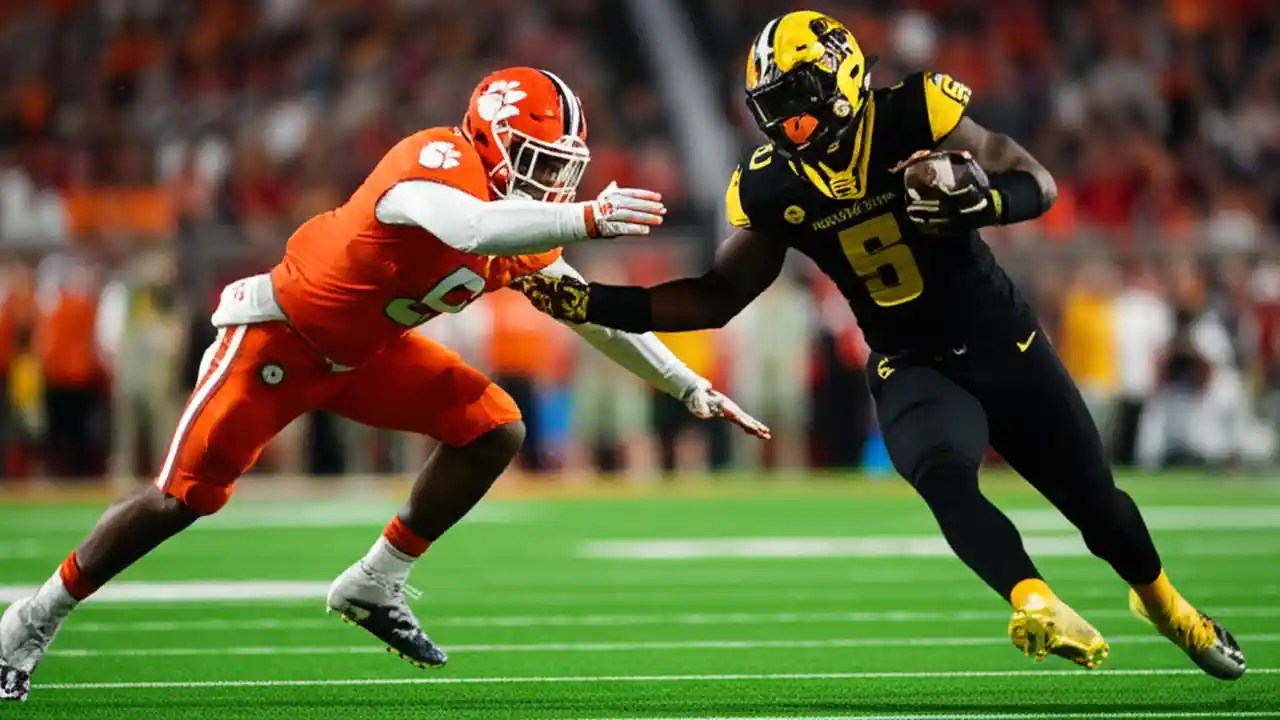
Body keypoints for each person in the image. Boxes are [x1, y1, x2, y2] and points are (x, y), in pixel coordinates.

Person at [0, 66, 770, 703]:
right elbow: (468, 228)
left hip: (364, 357)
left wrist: (685, 385)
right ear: (492, 139)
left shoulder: (522, 227)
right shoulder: (435, 160)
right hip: (278, 340)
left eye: (558, 163)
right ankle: (32, 619)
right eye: (534, 158)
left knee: (493, 426)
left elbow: (592, 317)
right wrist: (587, 218)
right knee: (183, 498)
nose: (548, 179)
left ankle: (375, 581)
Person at [515, 12, 1245, 679]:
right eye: (774, 111)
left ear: (841, 78)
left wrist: (984, 200)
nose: (788, 125)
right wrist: (590, 301)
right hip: (910, 361)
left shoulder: (914, 113)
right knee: (943, 474)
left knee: (1100, 508)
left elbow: (1036, 180)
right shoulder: (772, 185)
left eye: (797, 102)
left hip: (1002, 340)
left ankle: (1163, 602)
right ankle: (1031, 598)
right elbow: (715, 296)